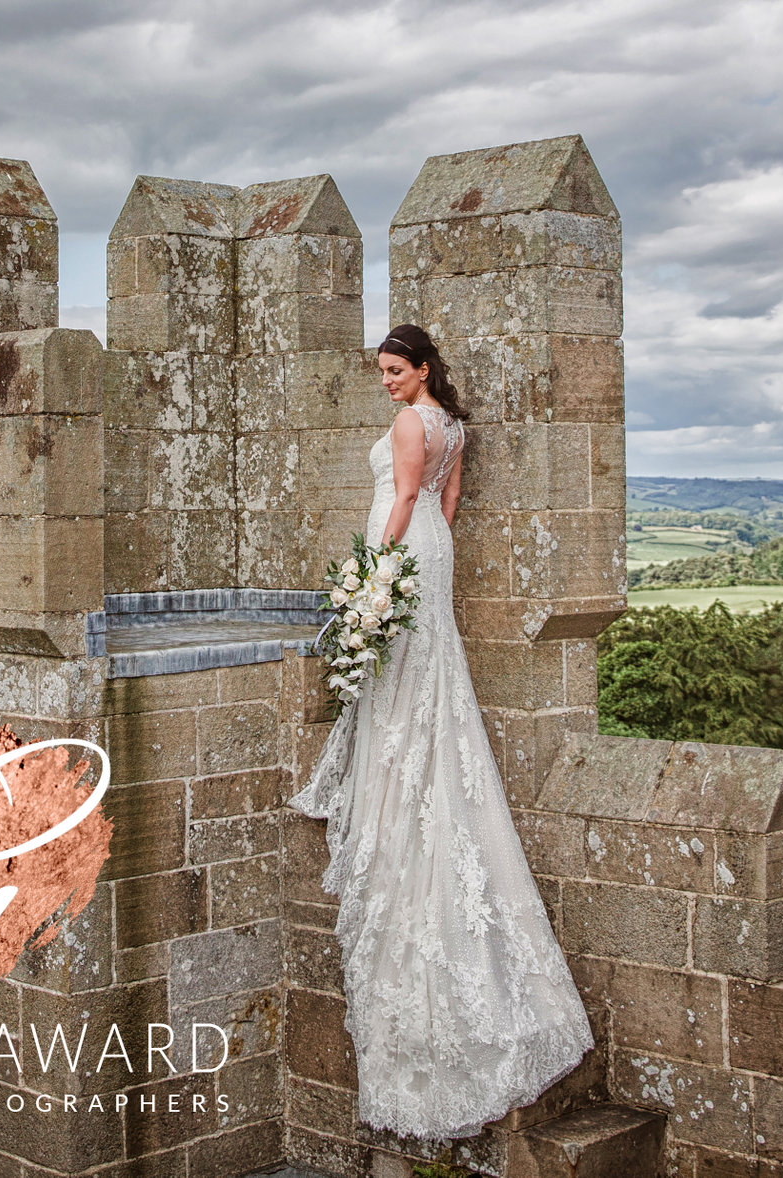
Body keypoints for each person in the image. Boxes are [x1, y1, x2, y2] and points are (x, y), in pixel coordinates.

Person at [290, 324, 593, 1140]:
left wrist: (369, 580)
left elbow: (400, 500)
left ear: (421, 369)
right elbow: (445, 504)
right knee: (427, 686)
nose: (384, 381)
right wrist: (420, 562)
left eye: (394, 370)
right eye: (381, 372)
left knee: (398, 687)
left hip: (404, 557)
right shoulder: (453, 426)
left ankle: (397, 795)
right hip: (437, 556)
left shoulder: (411, 424)